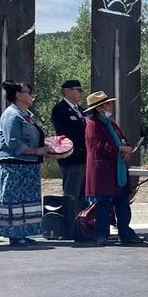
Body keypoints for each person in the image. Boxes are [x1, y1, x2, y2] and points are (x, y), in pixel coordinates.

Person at [83, 91, 144, 246]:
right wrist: (120, 149)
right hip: (103, 172)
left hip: (117, 169)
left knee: (122, 202)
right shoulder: (92, 125)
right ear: (99, 108)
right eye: (108, 104)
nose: (111, 106)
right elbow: (98, 147)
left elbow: (122, 139)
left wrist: (126, 150)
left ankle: (125, 233)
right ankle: (101, 235)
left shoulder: (111, 124)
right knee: (103, 204)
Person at [0, 80, 49, 246]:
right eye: (29, 92)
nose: (32, 95)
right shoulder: (11, 115)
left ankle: (24, 232)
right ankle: (14, 234)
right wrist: (36, 151)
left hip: (28, 164)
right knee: (14, 199)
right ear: (18, 95)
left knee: (27, 199)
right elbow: (13, 143)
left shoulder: (26, 115)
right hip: (13, 165)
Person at [51, 79, 87, 224]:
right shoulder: (60, 109)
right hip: (71, 158)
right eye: (78, 90)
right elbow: (64, 133)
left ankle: (81, 224)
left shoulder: (81, 110)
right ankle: (69, 224)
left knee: (83, 194)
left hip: (84, 157)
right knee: (72, 192)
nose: (80, 93)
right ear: (67, 91)